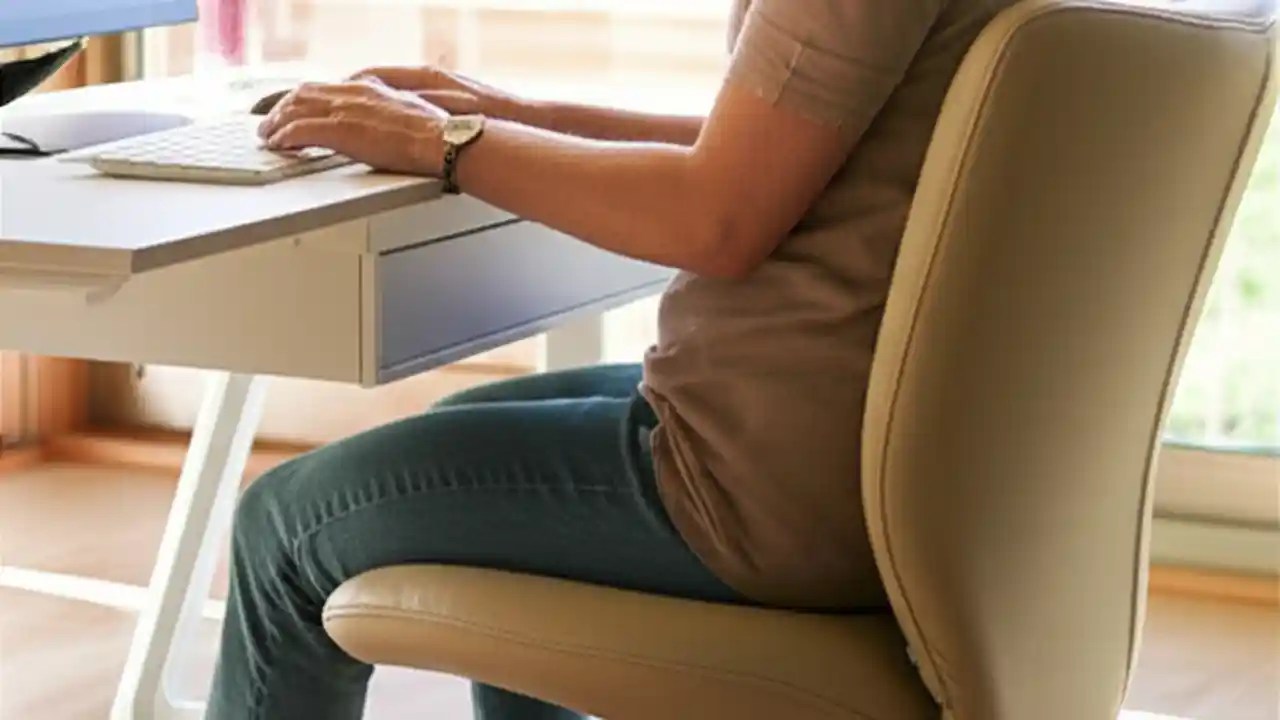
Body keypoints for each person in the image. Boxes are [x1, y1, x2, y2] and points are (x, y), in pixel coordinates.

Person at [208, 0, 1012, 717]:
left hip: (774, 489)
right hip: (909, 457)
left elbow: (716, 220)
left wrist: (439, 142)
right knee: (469, 422)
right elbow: (761, 151)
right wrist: (510, 114)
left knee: (283, 527)